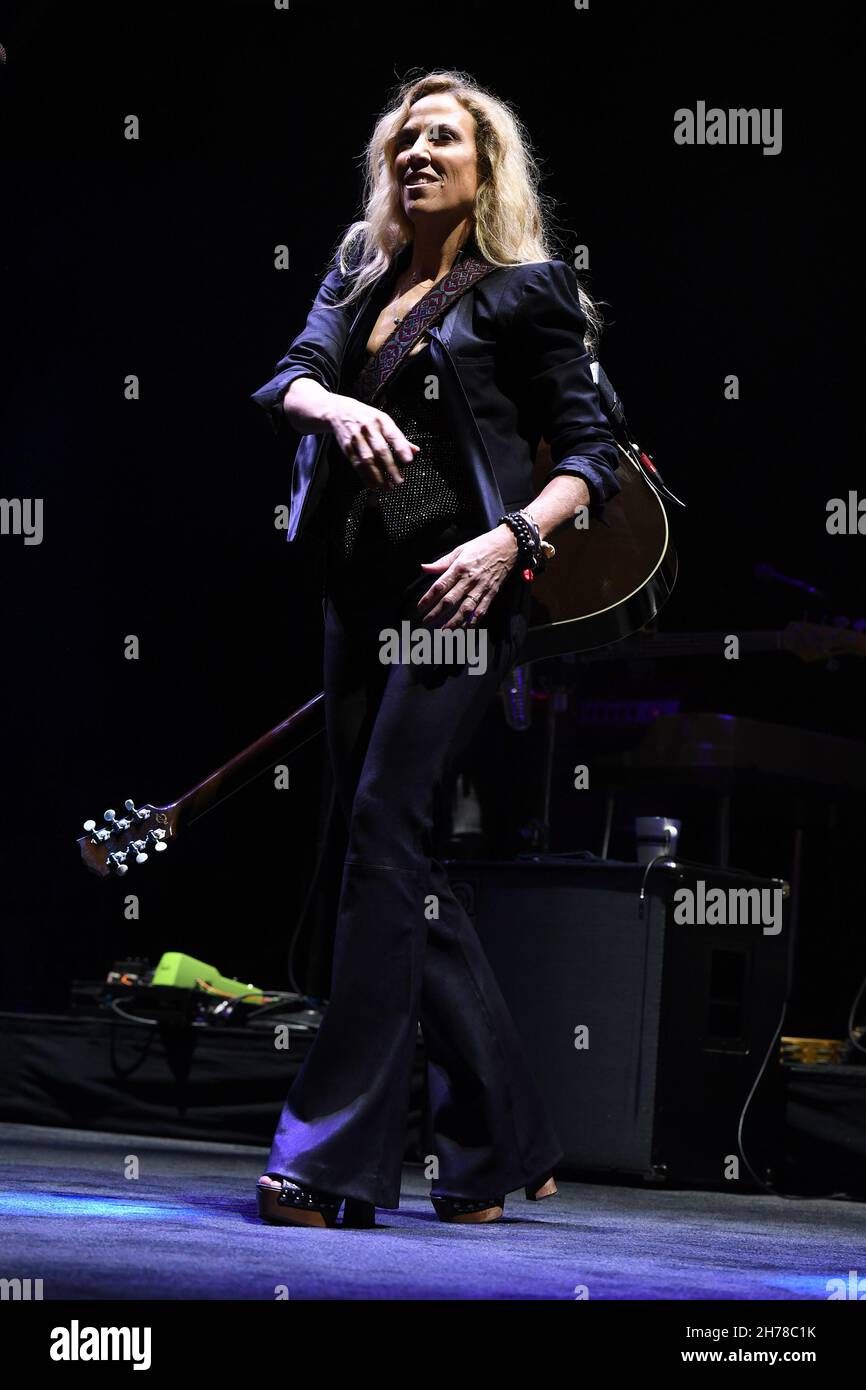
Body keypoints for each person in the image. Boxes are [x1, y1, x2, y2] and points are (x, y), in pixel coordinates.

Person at [250, 69, 621, 1228]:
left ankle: (330, 1160)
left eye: (443, 140)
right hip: (356, 602)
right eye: (406, 140)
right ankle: (500, 1142)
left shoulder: (524, 291)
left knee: (379, 838)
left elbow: (591, 456)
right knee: (393, 862)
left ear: (483, 166)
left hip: (459, 598)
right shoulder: (357, 276)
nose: (419, 155)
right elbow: (284, 378)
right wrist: (335, 405)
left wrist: (511, 541)